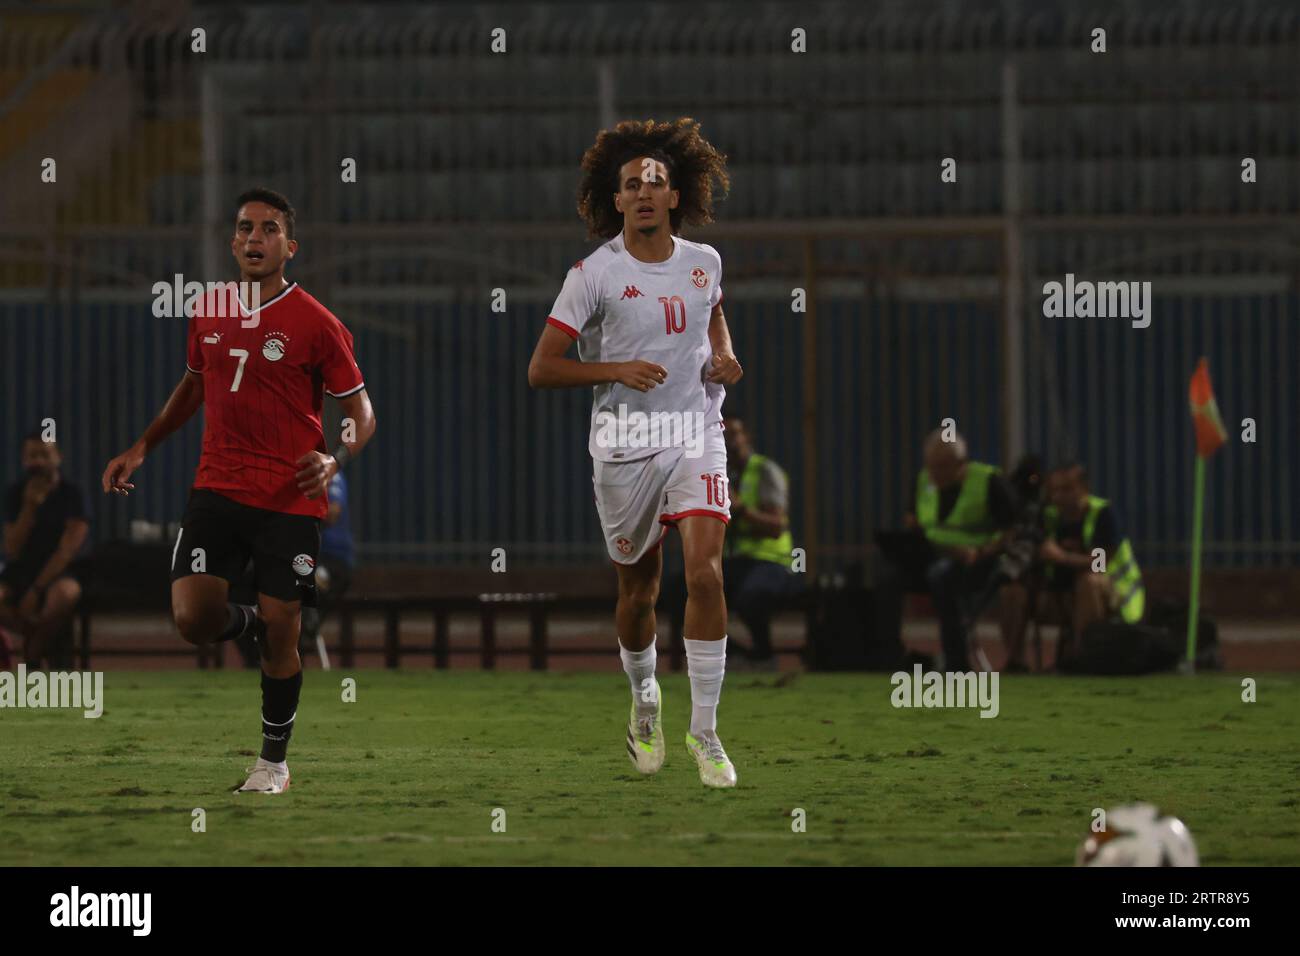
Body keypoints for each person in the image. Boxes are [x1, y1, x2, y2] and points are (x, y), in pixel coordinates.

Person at [102, 188, 376, 794]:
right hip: (218, 491)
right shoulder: (207, 310)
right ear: (232, 241)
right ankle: (250, 619)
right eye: (246, 228)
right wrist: (141, 446)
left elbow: (361, 411)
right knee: (193, 619)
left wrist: (335, 456)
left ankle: (272, 763)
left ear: (289, 246)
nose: (255, 238)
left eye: (269, 228)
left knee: (285, 634)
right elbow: (193, 387)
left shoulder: (318, 323)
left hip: (288, 500)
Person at [528, 118, 743, 788]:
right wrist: (614, 368)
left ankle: (705, 731)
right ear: (615, 200)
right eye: (631, 185)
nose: (644, 193)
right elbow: (542, 368)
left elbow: (711, 311)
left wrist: (725, 352)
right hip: (623, 447)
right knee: (638, 591)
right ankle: (645, 698)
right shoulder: (593, 275)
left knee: (705, 576)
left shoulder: (704, 262)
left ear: (676, 195)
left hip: (693, 434)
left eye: (656, 182)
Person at [874, 429, 1016, 671]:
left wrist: (981, 552)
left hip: (976, 563)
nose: (934, 474)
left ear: (961, 464)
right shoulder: (923, 480)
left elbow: (1012, 530)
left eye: (941, 467)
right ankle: (889, 658)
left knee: (941, 576)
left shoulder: (989, 481)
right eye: (931, 466)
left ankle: (956, 663)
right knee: (888, 579)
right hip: (930, 556)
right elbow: (915, 520)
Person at [1000, 462, 1145, 666]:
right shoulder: (1048, 516)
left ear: (1084, 489)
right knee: (1012, 591)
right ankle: (1015, 662)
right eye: (1054, 490)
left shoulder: (1102, 513)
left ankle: (1082, 659)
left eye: (1067, 489)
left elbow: (1100, 564)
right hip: (1059, 598)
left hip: (1112, 597)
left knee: (1088, 582)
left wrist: (1061, 556)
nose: (1059, 496)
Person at [0, 432, 90, 668]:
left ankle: (33, 649)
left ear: (57, 457)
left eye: (44, 455)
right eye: (32, 456)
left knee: (65, 594)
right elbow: (11, 549)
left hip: (59, 572)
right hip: (20, 570)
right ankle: (41, 638)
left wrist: (37, 590)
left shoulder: (72, 494)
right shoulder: (15, 493)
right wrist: (29, 508)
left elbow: (67, 549)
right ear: (23, 460)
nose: (38, 462)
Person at [721, 411, 797, 668]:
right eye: (722, 435)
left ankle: (764, 655)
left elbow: (777, 526)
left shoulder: (765, 471)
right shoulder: (722, 475)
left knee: (751, 596)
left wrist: (741, 509)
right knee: (682, 591)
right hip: (737, 560)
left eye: (734, 434)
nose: (729, 441)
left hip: (773, 561)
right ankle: (733, 653)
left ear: (747, 437)